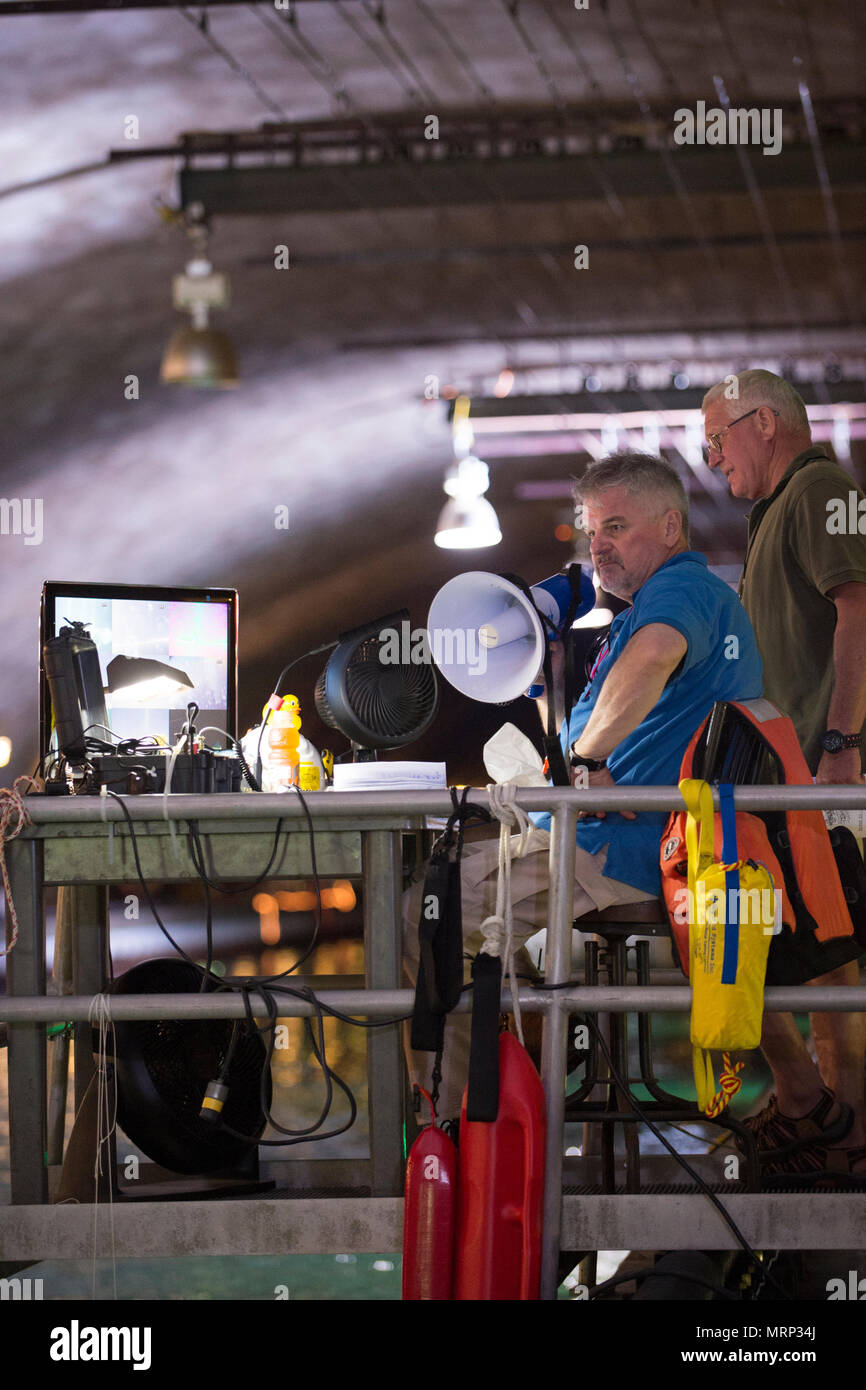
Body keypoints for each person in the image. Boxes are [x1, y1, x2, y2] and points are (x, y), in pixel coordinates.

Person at [405, 450, 763, 1117]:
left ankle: (459, 1121)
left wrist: (589, 757)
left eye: (617, 528)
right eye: (592, 530)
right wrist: (549, 680)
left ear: (670, 527)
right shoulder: (635, 615)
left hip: (625, 854)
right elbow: (590, 726)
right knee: (449, 909)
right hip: (595, 843)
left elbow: (654, 661)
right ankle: (521, 1083)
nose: (598, 547)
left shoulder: (680, 591)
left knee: (427, 914)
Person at [702, 368, 866, 1178]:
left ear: (762, 422)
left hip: (823, 772)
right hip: (799, 777)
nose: (709, 458)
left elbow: (860, 608)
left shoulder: (817, 489)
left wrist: (842, 740)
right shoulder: (783, 508)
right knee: (819, 961)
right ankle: (827, 1121)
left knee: (835, 960)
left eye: (716, 438)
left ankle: (844, 1138)